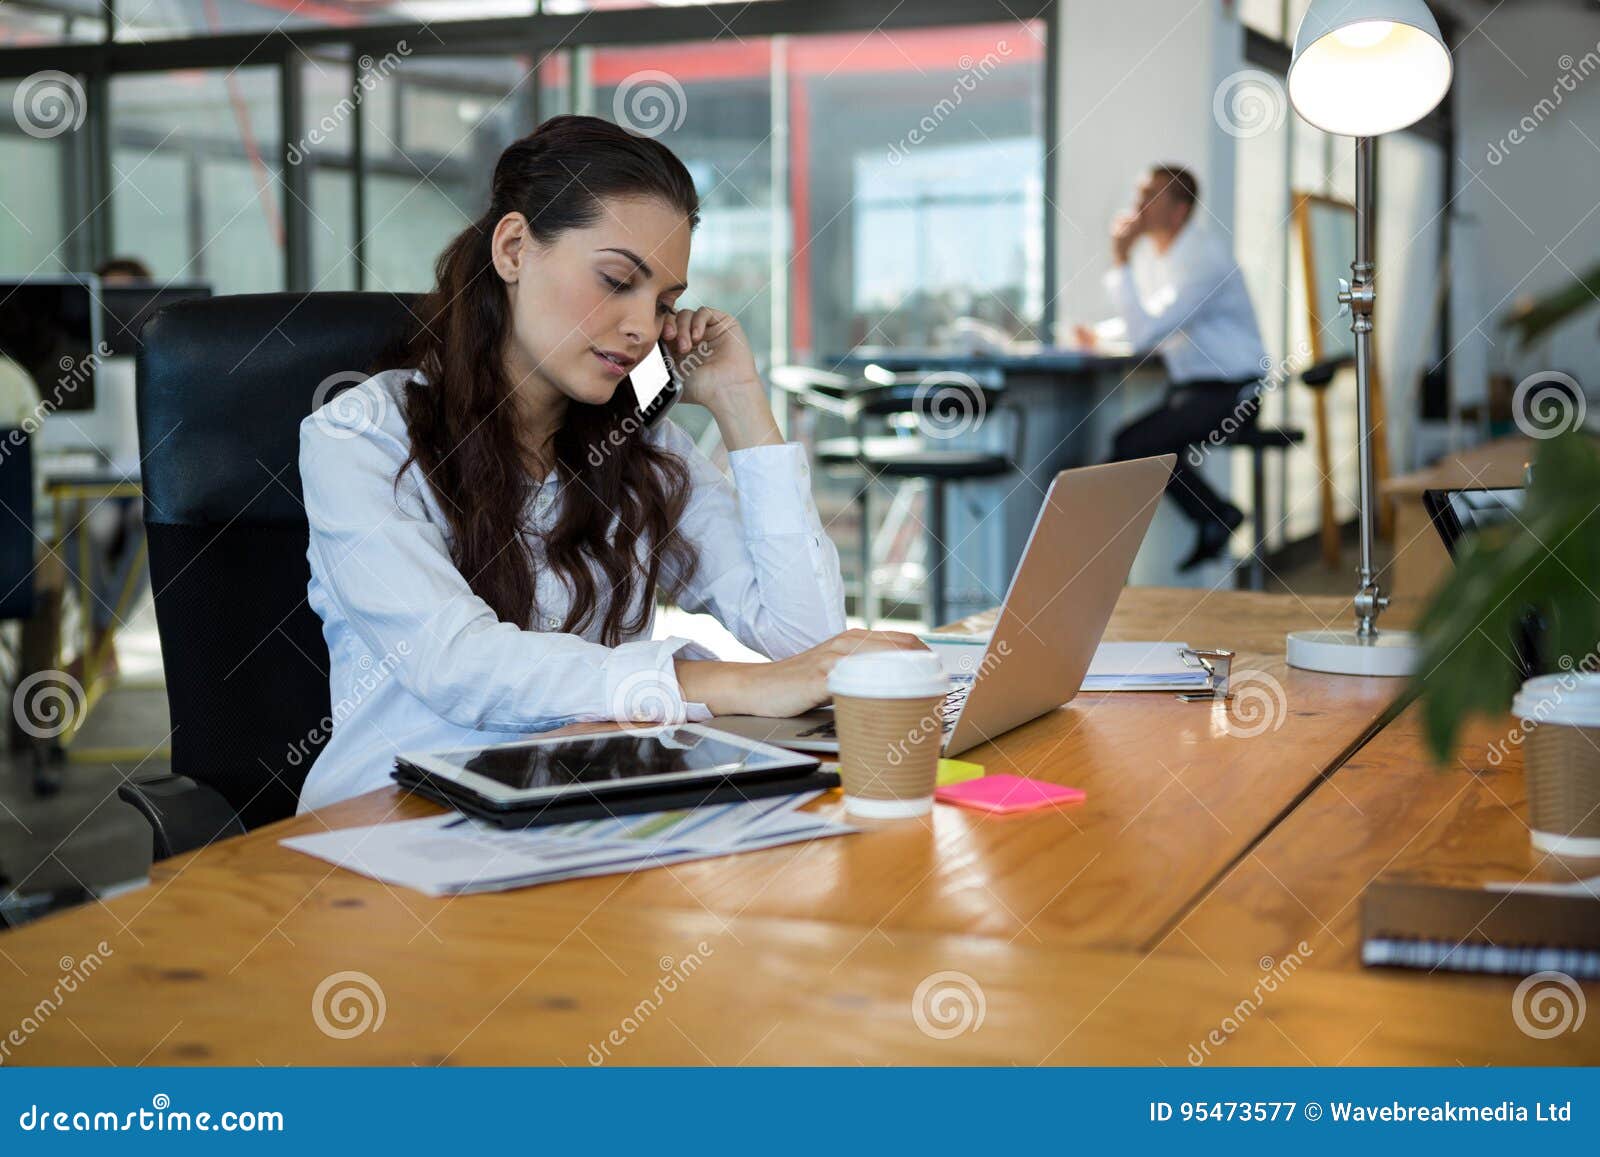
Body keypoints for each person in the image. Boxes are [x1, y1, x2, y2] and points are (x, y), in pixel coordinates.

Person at [298, 115, 924, 811]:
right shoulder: (360, 437)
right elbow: (457, 663)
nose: (641, 328)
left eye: (664, 303)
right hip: (387, 828)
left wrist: (741, 403)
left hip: (576, 814)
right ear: (513, 249)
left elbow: (805, 640)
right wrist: (722, 684)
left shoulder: (642, 451)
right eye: (616, 279)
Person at [1074, 165, 1268, 571]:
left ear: (1179, 210)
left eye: (1150, 195)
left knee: (1132, 446)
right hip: (1198, 390)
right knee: (1143, 445)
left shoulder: (1201, 259)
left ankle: (1096, 559)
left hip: (1234, 393)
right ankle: (1215, 516)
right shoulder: (1173, 257)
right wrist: (1102, 335)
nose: (1138, 206)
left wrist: (1120, 259)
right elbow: (1160, 317)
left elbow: (1149, 332)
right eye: (1138, 194)